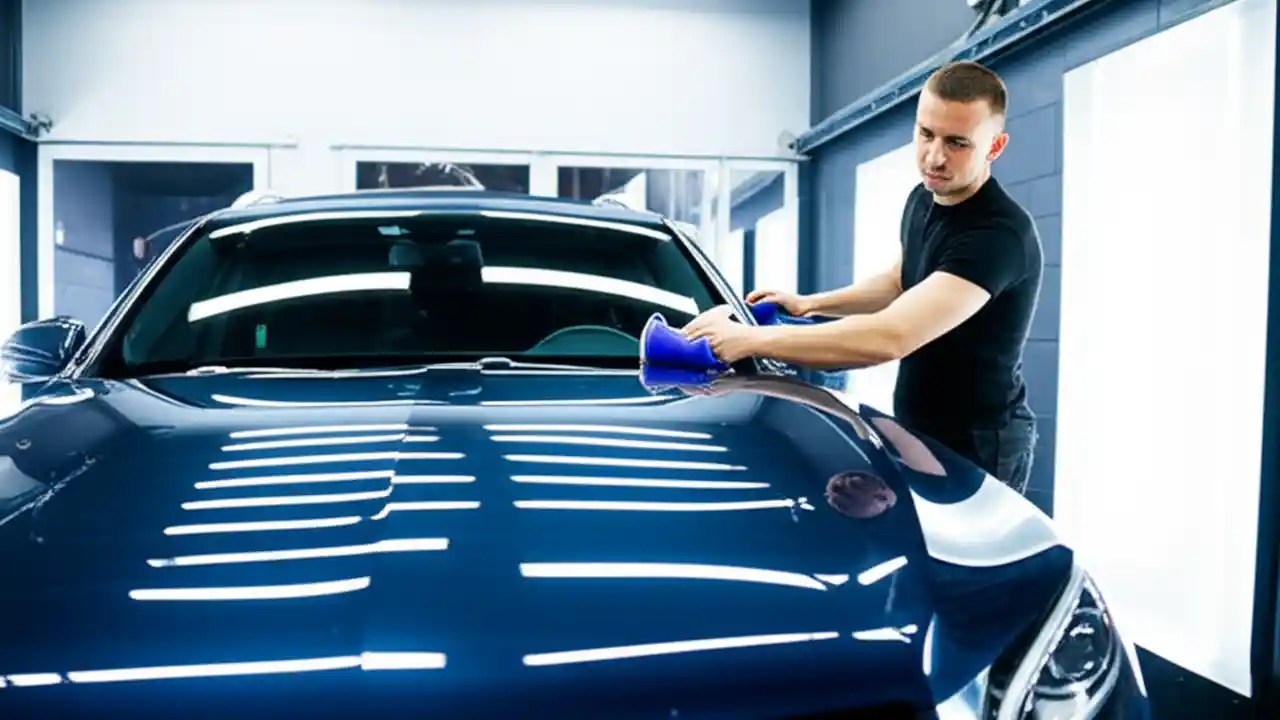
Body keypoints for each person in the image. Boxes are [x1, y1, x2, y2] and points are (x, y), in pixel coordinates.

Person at [682, 60, 1043, 494]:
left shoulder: (996, 236)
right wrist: (811, 303)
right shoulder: (925, 197)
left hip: (980, 443)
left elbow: (889, 337)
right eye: (926, 134)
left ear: (995, 146)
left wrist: (749, 341)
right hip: (919, 425)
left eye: (957, 143)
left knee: (970, 562)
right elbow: (900, 280)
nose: (935, 156)